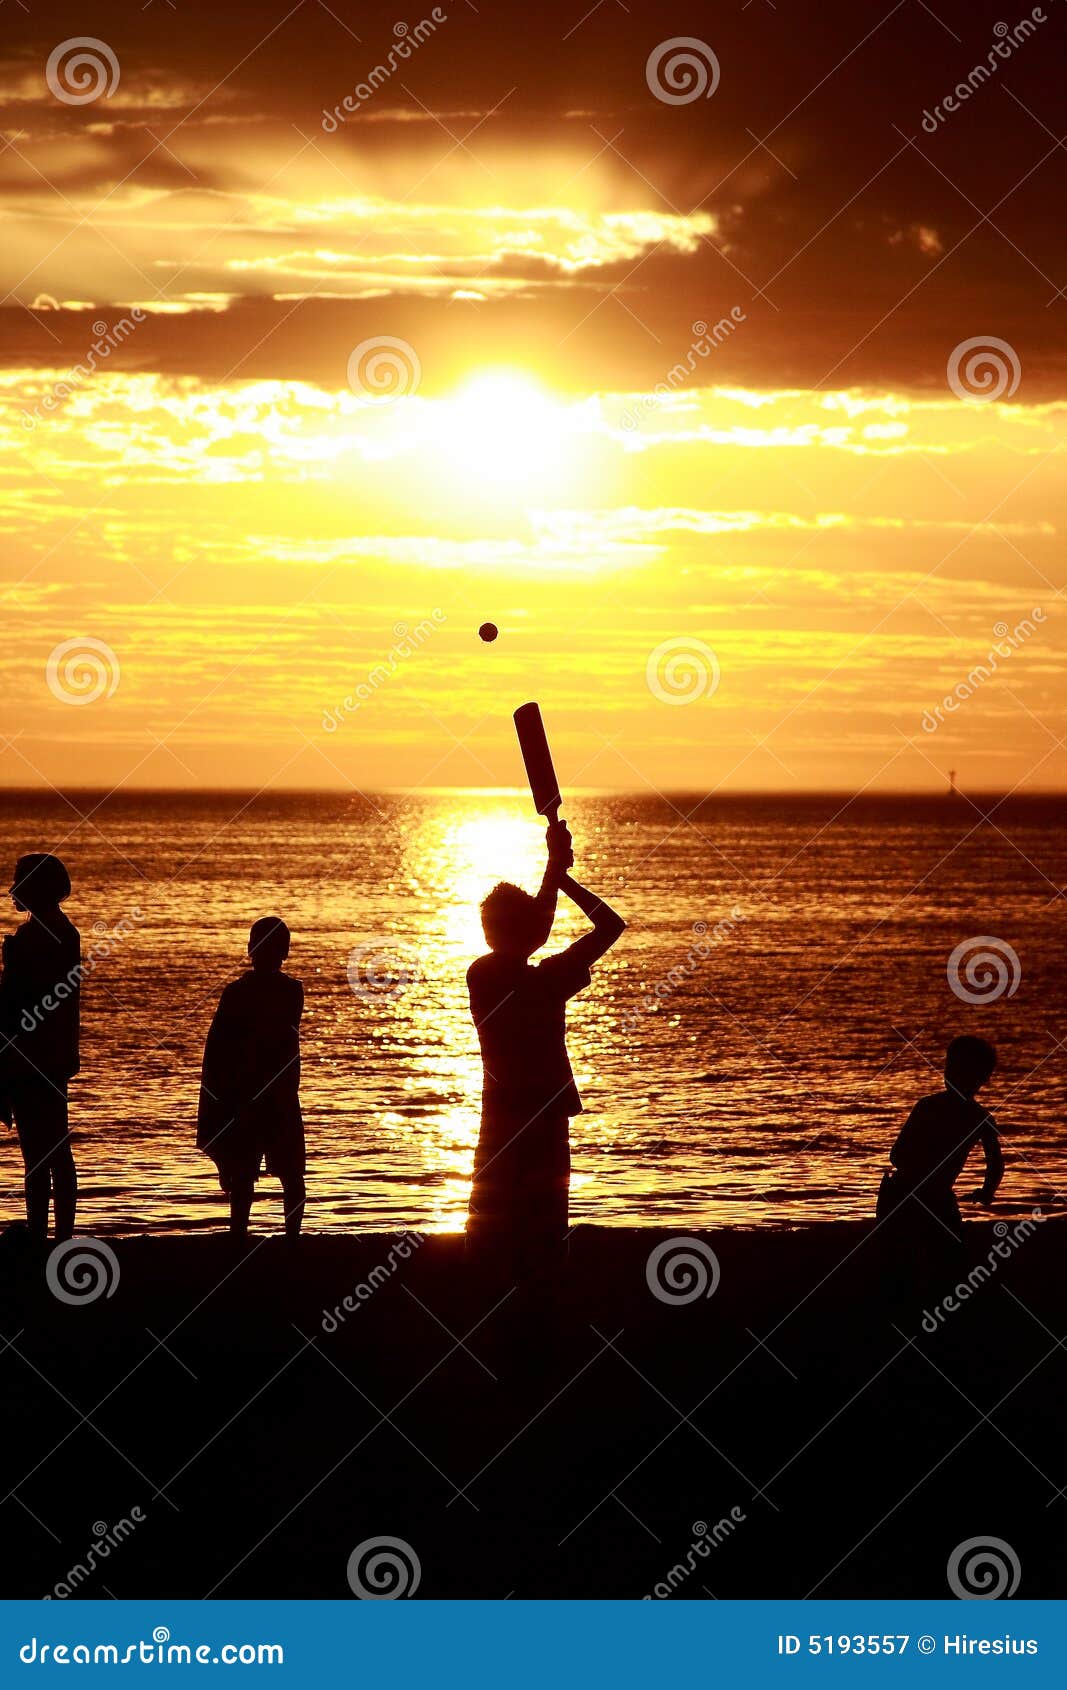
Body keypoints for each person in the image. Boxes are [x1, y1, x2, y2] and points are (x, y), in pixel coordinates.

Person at [466, 818, 625, 1272]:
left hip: (505, 1108)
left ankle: (497, 1283)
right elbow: (608, 925)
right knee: (542, 1211)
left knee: (497, 1209)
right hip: (542, 1108)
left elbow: (539, 929)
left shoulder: (483, 974)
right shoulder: (543, 979)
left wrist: (556, 871)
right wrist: (558, 872)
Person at [197, 917, 306, 1244]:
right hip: (271, 1094)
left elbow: (219, 1051)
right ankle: (288, 1241)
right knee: (281, 1176)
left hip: (257, 1095)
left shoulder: (241, 992)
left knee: (253, 1176)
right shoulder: (289, 991)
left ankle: (241, 1240)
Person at [0, 853, 81, 1242]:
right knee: (40, 1151)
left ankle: (51, 1235)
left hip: (38, 1055)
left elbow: (29, 998)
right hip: (39, 1054)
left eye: (20, 880)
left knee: (48, 1151)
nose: (13, 888)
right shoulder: (48, 931)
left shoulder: (51, 935)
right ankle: (45, 1233)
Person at [878, 1034, 1003, 1276]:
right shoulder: (980, 1118)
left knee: (907, 1265)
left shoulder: (927, 1106)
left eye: (955, 1068)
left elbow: (897, 1155)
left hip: (906, 1195)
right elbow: (995, 1164)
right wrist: (987, 1191)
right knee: (945, 1263)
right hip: (927, 1196)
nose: (948, 1074)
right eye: (949, 1067)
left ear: (981, 1077)